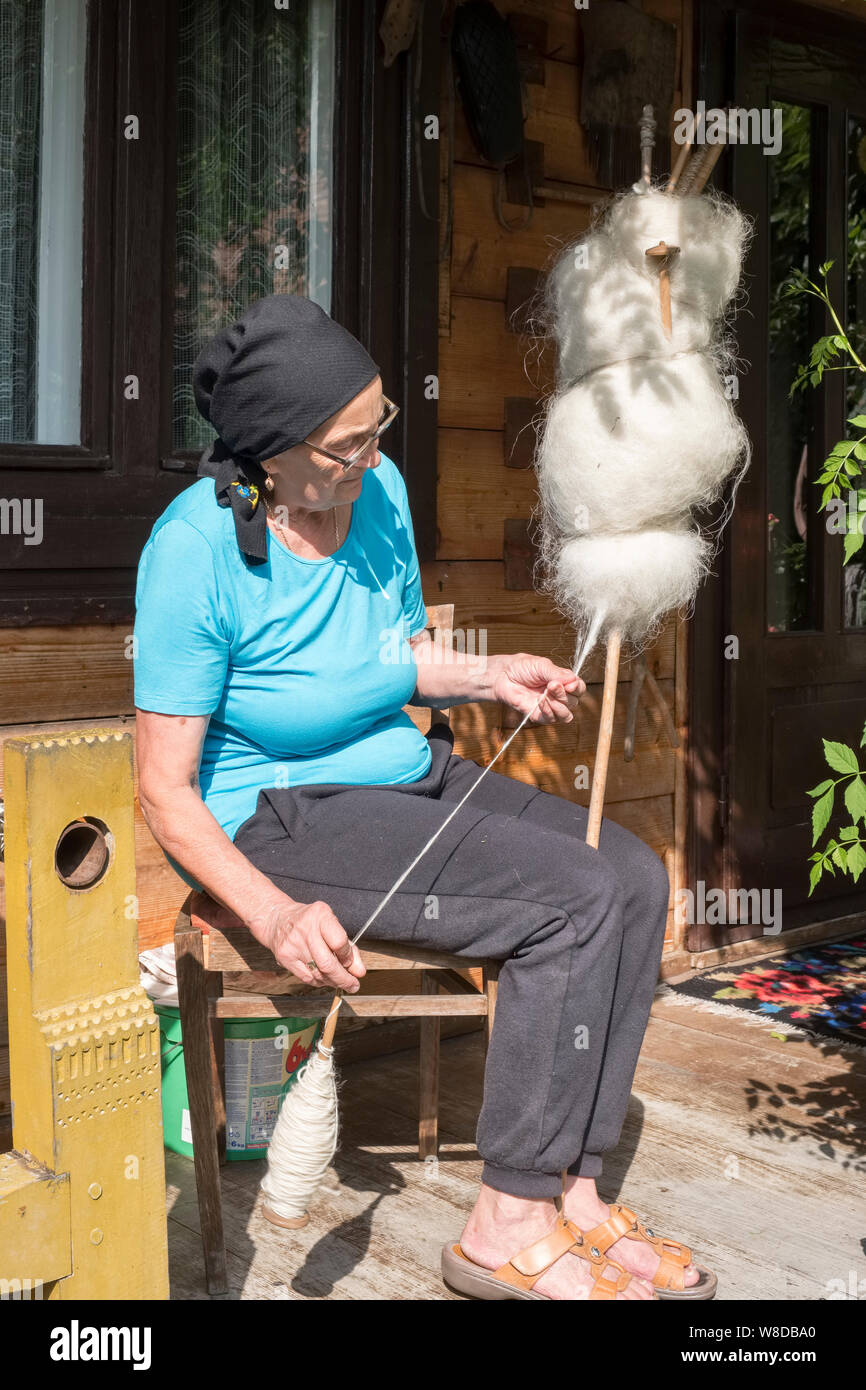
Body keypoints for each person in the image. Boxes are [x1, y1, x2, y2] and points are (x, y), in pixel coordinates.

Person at [134, 294, 715, 1301]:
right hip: (282, 812)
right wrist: (269, 913)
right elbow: (164, 792)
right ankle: (503, 1223)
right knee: (568, 899)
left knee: (626, 874)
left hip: (401, 774)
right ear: (270, 454)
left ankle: (573, 1191)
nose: (371, 457)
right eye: (347, 444)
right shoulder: (194, 553)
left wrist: (486, 677)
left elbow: (396, 656)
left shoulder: (381, 492)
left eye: (378, 428)